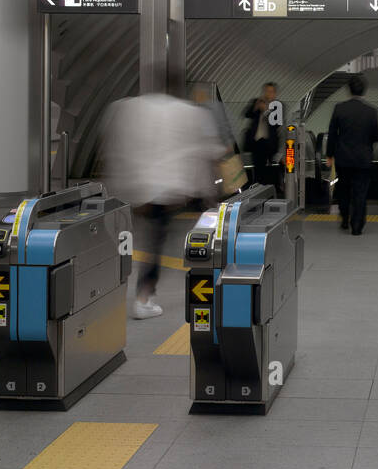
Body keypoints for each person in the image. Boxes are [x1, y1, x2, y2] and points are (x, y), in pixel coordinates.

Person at [104, 92, 222, 319]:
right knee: (158, 243)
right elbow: (203, 151)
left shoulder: (132, 107)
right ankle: (144, 298)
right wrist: (208, 192)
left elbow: (118, 146)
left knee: (146, 243)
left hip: (141, 189)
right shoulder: (189, 111)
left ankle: (136, 295)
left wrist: (123, 187)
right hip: (169, 190)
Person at [325, 73, 378, 235]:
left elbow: (332, 133)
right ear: (364, 91)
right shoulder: (371, 111)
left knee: (343, 189)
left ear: (349, 90)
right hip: (363, 158)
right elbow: (377, 135)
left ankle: (344, 218)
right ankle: (357, 226)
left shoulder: (339, 108)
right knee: (360, 192)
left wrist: (329, 155)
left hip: (343, 158)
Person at [242, 82, 281, 191]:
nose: (269, 94)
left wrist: (266, 111)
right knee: (257, 169)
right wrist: (256, 107)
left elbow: (277, 123)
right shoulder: (256, 102)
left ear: (275, 94)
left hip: (270, 143)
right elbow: (247, 114)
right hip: (256, 142)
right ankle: (257, 190)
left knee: (271, 170)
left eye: (271, 92)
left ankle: (272, 190)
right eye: (267, 91)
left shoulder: (278, 106)